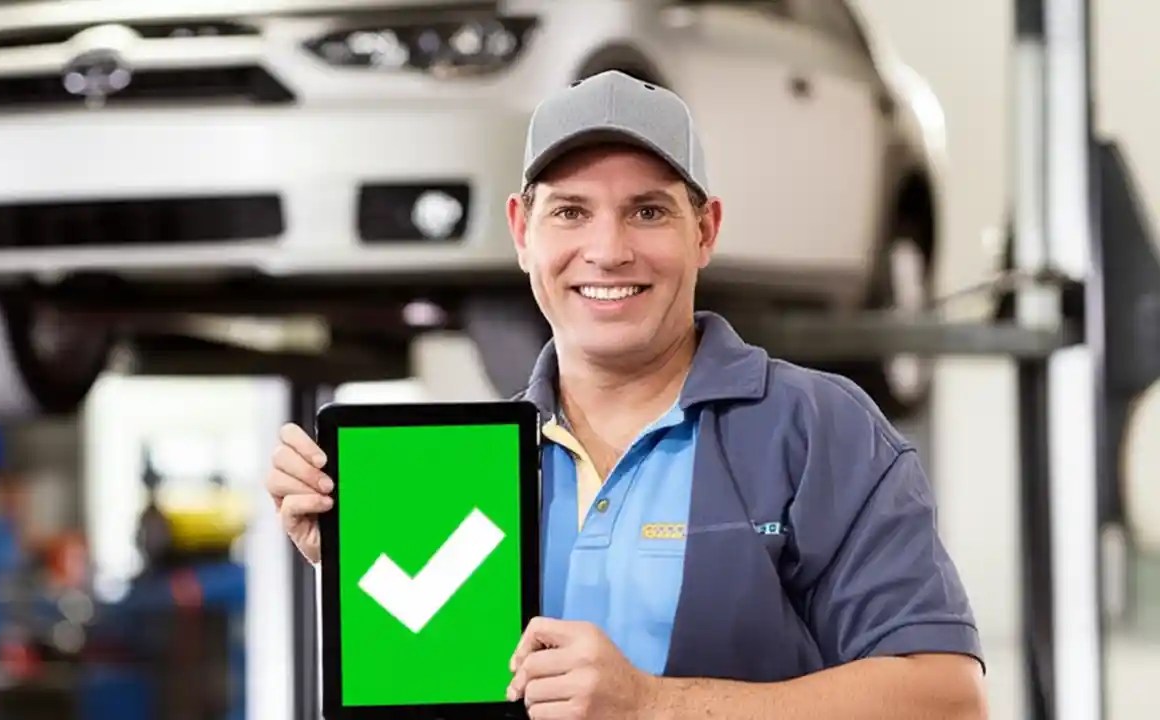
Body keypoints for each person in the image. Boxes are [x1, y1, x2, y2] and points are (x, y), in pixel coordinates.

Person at [266, 70, 987, 719]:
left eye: (647, 211)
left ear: (705, 231)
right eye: (571, 212)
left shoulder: (816, 431)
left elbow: (945, 700)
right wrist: (357, 568)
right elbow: (444, 678)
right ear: (522, 232)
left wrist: (652, 704)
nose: (608, 251)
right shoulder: (460, 471)